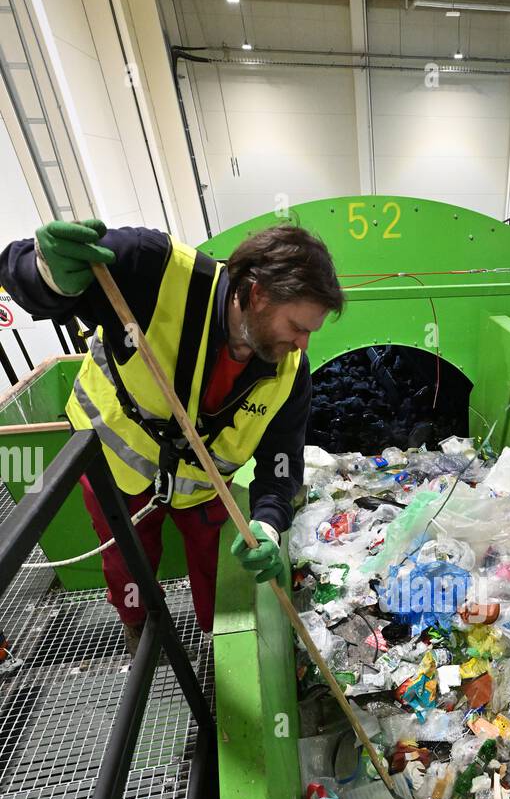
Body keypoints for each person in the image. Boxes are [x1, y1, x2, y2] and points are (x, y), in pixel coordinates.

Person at [0, 220, 344, 652]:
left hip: (202, 488)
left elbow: (282, 465)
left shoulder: (290, 375)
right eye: (297, 326)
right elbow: (24, 272)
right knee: (127, 565)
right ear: (257, 295)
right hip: (116, 462)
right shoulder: (153, 270)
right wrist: (49, 275)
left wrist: (269, 525)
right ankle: (143, 635)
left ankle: (218, 643)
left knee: (218, 565)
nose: (303, 344)